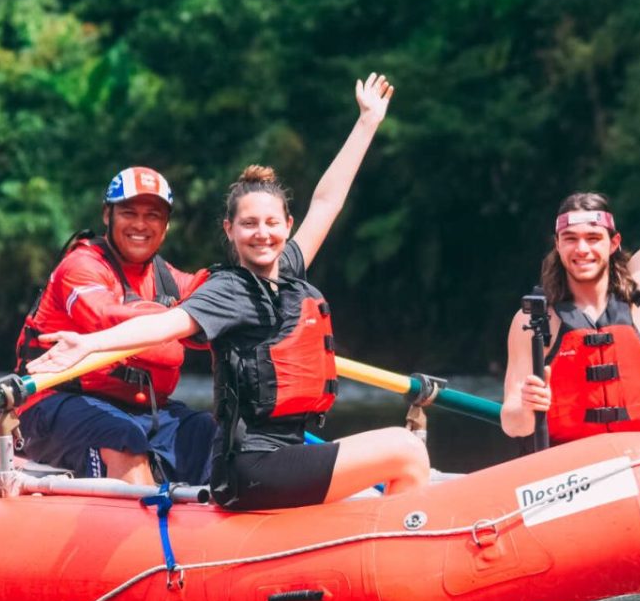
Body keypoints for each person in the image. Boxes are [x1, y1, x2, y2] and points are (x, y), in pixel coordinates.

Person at [32, 74, 430, 511]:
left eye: (272, 223)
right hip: (250, 467)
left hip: (278, 455)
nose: (263, 234)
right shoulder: (227, 291)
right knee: (405, 446)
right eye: (250, 225)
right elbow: (166, 324)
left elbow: (326, 203)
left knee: (397, 450)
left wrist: (367, 123)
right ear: (230, 230)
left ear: (287, 227)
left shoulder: (286, 270)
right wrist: (87, 343)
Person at [501, 69, 640, 442]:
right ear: (558, 244)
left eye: (593, 238)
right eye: (571, 238)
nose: (582, 249)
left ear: (613, 244)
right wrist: (528, 407)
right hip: (569, 470)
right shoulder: (533, 321)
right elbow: (512, 423)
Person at [13, 164, 218, 486]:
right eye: (128, 212)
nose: (140, 224)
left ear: (165, 226)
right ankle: (144, 527)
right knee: (123, 436)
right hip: (53, 404)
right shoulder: (80, 266)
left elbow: (213, 297)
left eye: (153, 215)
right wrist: (181, 318)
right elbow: (104, 316)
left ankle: (211, 529)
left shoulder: (169, 279)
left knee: (208, 431)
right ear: (107, 216)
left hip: (137, 408)